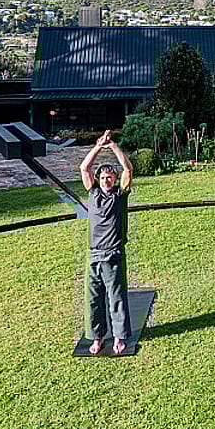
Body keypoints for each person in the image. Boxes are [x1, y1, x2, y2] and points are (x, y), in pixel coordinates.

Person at [80, 129, 134, 355]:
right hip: (94, 253)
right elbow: (84, 168)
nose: (106, 179)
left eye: (109, 176)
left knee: (116, 297)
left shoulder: (120, 195)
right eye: (103, 177)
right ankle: (97, 338)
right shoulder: (92, 192)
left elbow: (128, 169)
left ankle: (119, 337)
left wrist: (113, 147)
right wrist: (98, 146)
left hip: (113, 253)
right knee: (93, 299)